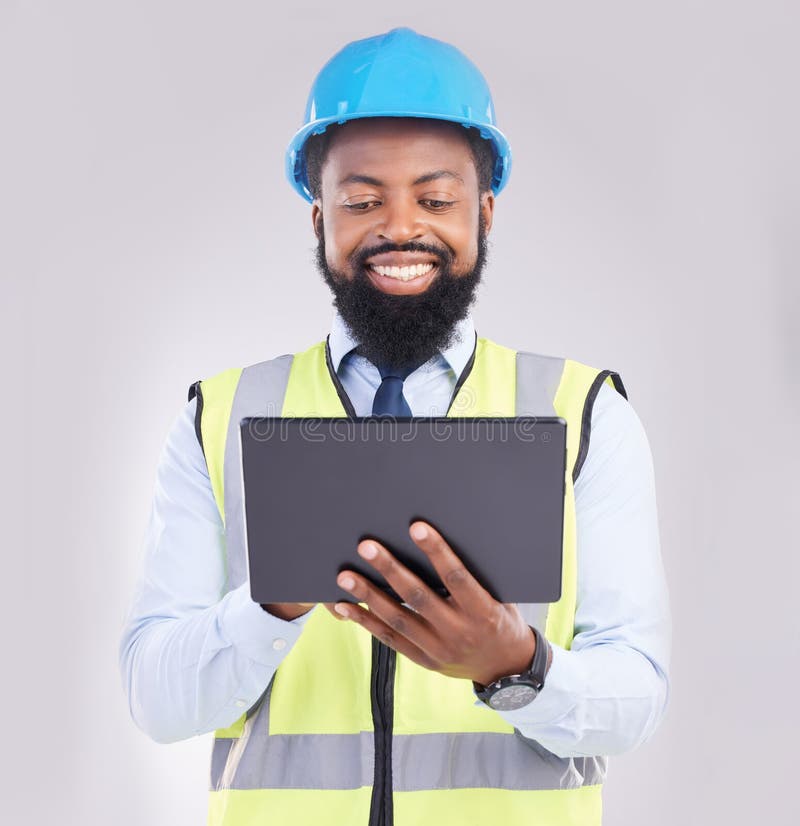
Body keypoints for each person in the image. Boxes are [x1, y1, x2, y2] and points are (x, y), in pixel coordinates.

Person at [120, 27, 670, 826]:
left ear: (485, 212)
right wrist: (268, 608)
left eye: (437, 198)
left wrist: (515, 666)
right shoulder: (223, 415)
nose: (401, 228)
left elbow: (638, 698)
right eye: (363, 200)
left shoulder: (582, 415)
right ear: (319, 221)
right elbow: (154, 699)